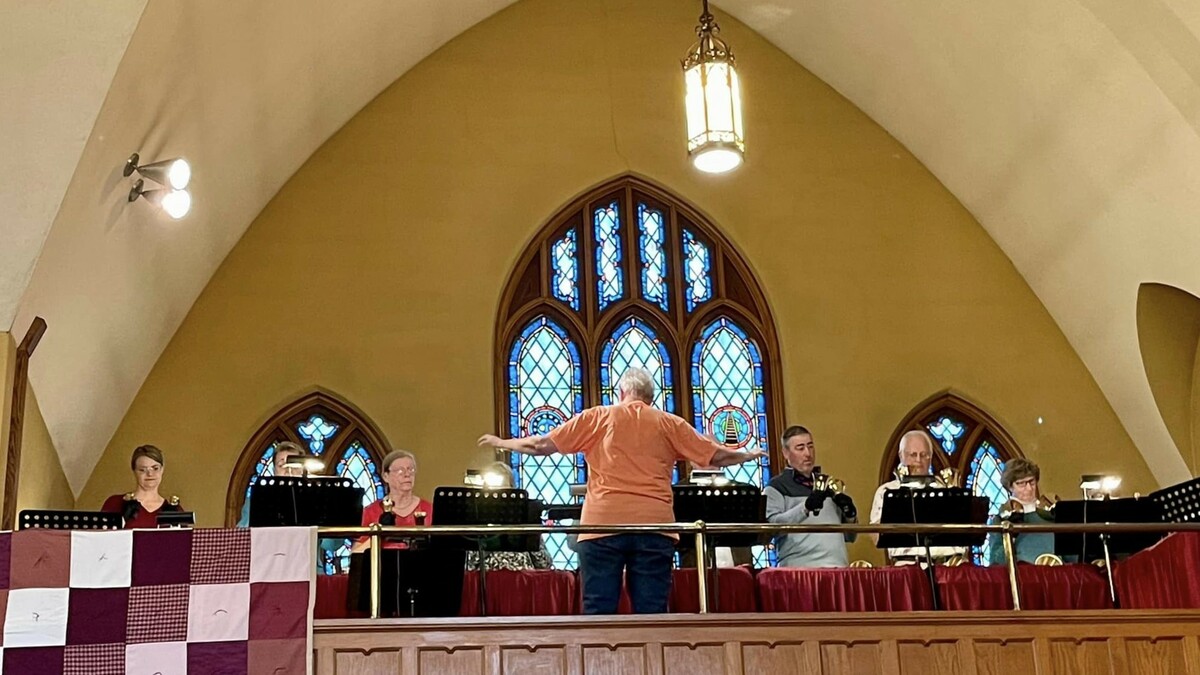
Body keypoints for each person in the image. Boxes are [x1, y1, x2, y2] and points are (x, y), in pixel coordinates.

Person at [478, 367, 766, 615]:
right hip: (654, 526)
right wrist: (747, 454)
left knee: (599, 610)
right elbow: (716, 456)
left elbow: (541, 445)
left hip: (603, 525)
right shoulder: (669, 423)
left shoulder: (597, 417)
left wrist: (503, 443)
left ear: (621, 392)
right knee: (652, 613)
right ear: (651, 398)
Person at [237, 441, 341, 573]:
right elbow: (241, 537)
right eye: (281, 465)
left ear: (303, 470)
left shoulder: (317, 500)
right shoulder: (256, 500)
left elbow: (332, 544)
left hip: (308, 570)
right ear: (274, 471)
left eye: (293, 464)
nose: (288, 470)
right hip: (269, 571)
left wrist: (331, 509)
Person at [763, 425, 857, 568]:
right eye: (800, 448)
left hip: (837, 567)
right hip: (799, 571)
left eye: (810, 446)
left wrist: (850, 516)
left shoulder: (829, 485)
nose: (808, 453)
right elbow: (772, 528)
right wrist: (805, 508)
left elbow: (850, 537)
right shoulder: (776, 487)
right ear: (785, 453)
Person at [868, 430, 964, 563]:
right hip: (907, 566)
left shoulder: (945, 490)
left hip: (945, 566)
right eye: (913, 455)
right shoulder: (886, 491)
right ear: (901, 456)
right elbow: (877, 537)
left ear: (930, 457)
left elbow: (963, 536)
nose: (918, 460)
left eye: (924, 455)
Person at [464, 461, 553, 571]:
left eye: (503, 491)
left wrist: (530, 535)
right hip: (487, 576)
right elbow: (469, 564)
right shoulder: (476, 519)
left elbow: (545, 563)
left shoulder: (524, 518)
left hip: (521, 576)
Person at [352, 449, 433, 552]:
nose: (407, 474)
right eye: (400, 470)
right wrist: (380, 535)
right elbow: (356, 552)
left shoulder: (429, 510)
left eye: (411, 469)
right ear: (386, 476)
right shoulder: (371, 512)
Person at [986, 458, 1055, 565]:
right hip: (1022, 573)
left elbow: (1071, 555)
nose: (1029, 488)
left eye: (1032, 482)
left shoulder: (1050, 512)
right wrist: (1011, 538)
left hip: (1056, 571)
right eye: (1022, 484)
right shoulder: (1001, 519)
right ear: (1010, 487)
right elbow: (996, 561)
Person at [101, 445, 183, 528]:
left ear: (162, 469)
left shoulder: (175, 511)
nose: (150, 474)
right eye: (142, 470)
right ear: (134, 471)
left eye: (155, 468)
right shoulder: (115, 503)